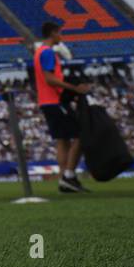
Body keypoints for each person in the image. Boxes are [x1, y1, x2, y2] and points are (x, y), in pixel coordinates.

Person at [32, 20, 92, 193]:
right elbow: (49, 79)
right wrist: (74, 88)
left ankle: (64, 181)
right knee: (81, 134)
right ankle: (69, 176)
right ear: (52, 33)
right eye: (60, 33)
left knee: (62, 141)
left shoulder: (40, 52)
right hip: (55, 101)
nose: (61, 36)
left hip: (47, 101)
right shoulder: (48, 52)